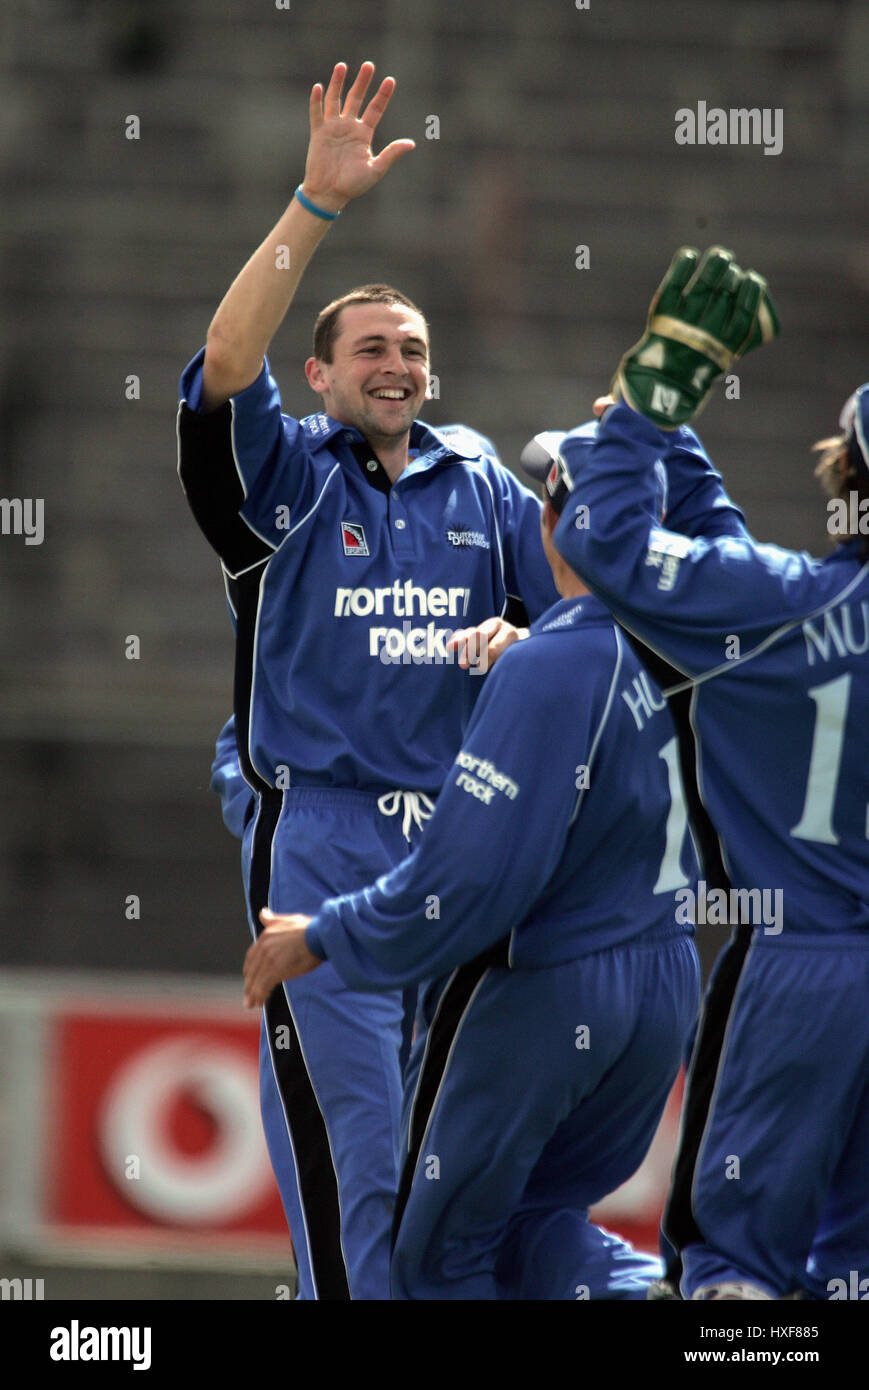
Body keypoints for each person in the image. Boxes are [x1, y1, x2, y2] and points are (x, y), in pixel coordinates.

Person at [177, 61, 559, 1300]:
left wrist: (525, 646)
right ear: (323, 379)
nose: (395, 364)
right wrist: (315, 205)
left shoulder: (487, 489)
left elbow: (584, 644)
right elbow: (225, 361)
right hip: (325, 843)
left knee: (457, 1167)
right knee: (360, 1160)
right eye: (369, 350)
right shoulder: (287, 483)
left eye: (413, 348)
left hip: (461, 845)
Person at [243, 426, 701, 1300]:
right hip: (667, 980)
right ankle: (642, 1292)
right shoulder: (697, 641)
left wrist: (328, 933)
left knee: (432, 1257)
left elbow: (464, 885)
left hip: (548, 985)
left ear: (561, 529)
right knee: (528, 1227)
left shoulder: (545, 666)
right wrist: (669, 428)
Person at [554, 245, 869, 1300]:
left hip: (798, 967)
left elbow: (606, 542)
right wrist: (683, 461)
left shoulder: (779, 611)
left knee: (731, 1270)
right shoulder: (778, 608)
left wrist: (646, 413)